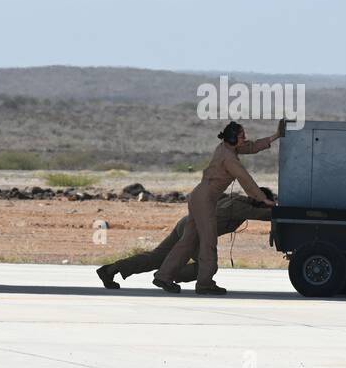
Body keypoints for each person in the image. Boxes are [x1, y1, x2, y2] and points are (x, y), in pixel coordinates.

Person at [153, 120, 284, 295]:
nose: (245, 138)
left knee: (188, 240)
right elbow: (245, 179)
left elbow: (251, 147)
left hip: (199, 196)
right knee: (208, 242)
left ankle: (164, 276)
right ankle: (204, 283)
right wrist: (263, 199)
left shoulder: (226, 148)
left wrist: (275, 136)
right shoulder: (229, 159)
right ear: (232, 138)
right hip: (205, 199)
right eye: (241, 136)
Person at [96, 189, 275, 289]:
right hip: (197, 230)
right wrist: (280, 210)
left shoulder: (234, 198)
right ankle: (168, 277)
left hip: (188, 223)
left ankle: (111, 270)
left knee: (156, 258)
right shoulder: (240, 206)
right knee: (206, 265)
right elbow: (262, 214)